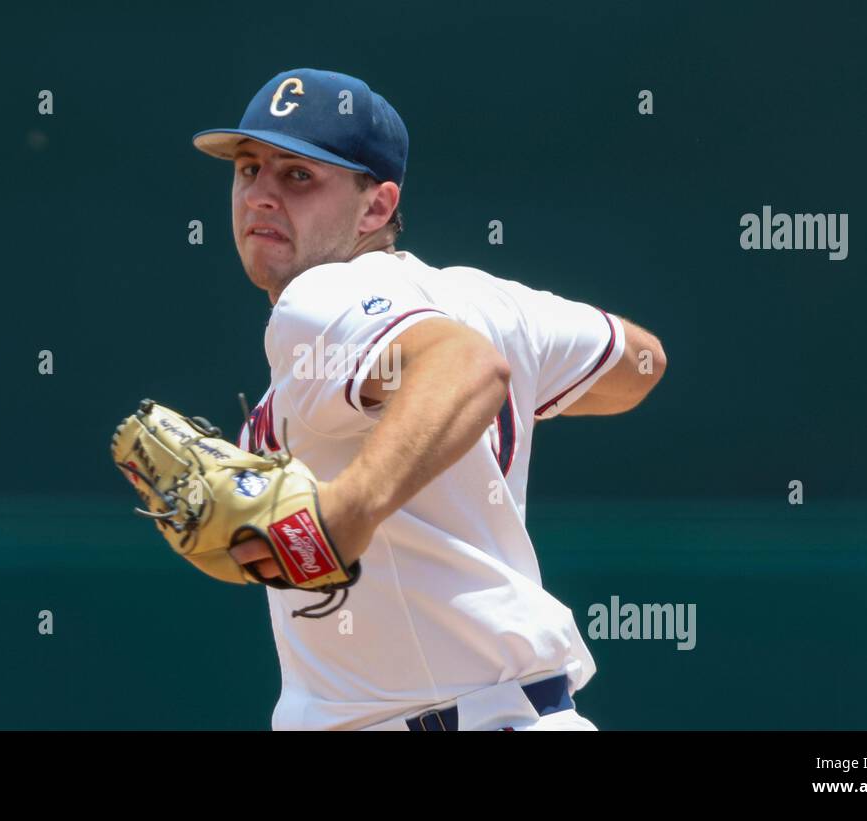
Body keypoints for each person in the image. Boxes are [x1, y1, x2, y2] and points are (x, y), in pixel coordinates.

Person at [191, 68, 667, 731]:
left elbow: (467, 366)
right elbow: (640, 362)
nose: (261, 195)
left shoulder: (317, 301)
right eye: (248, 169)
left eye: (298, 175)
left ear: (377, 206)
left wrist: (351, 507)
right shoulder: (478, 299)